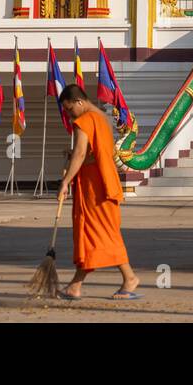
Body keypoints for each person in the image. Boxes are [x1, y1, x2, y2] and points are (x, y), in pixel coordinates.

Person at [57, 83, 140, 300]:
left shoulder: (83, 121)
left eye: (69, 109)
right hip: (107, 181)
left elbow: (81, 153)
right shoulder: (103, 118)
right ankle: (75, 286)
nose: (69, 114)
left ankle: (130, 278)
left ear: (79, 102)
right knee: (97, 234)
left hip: (94, 186)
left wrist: (66, 181)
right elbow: (103, 150)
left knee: (100, 233)